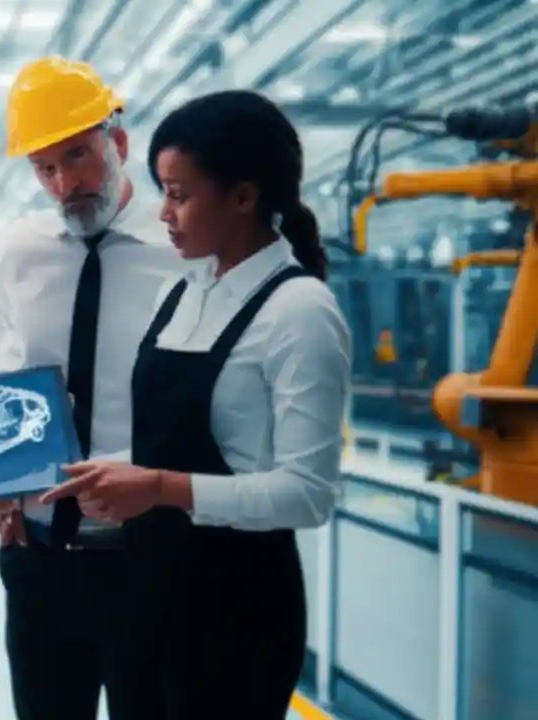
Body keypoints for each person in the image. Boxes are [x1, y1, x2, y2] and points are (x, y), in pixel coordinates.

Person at [42, 89, 352, 718]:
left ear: (244, 196)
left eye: (179, 195)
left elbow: (307, 494)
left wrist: (158, 487)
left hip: (236, 615)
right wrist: (107, 471)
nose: (163, 213)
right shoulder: (183, 293)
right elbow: (171, 443)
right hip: (147, 597)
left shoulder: (298, 311)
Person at [0, 56, 191, 720]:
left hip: (154, 560)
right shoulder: (15, 254)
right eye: (45, 169)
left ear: (117, 142)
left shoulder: (182, 249)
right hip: (41, 562)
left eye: (78, 157)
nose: (66, 184)